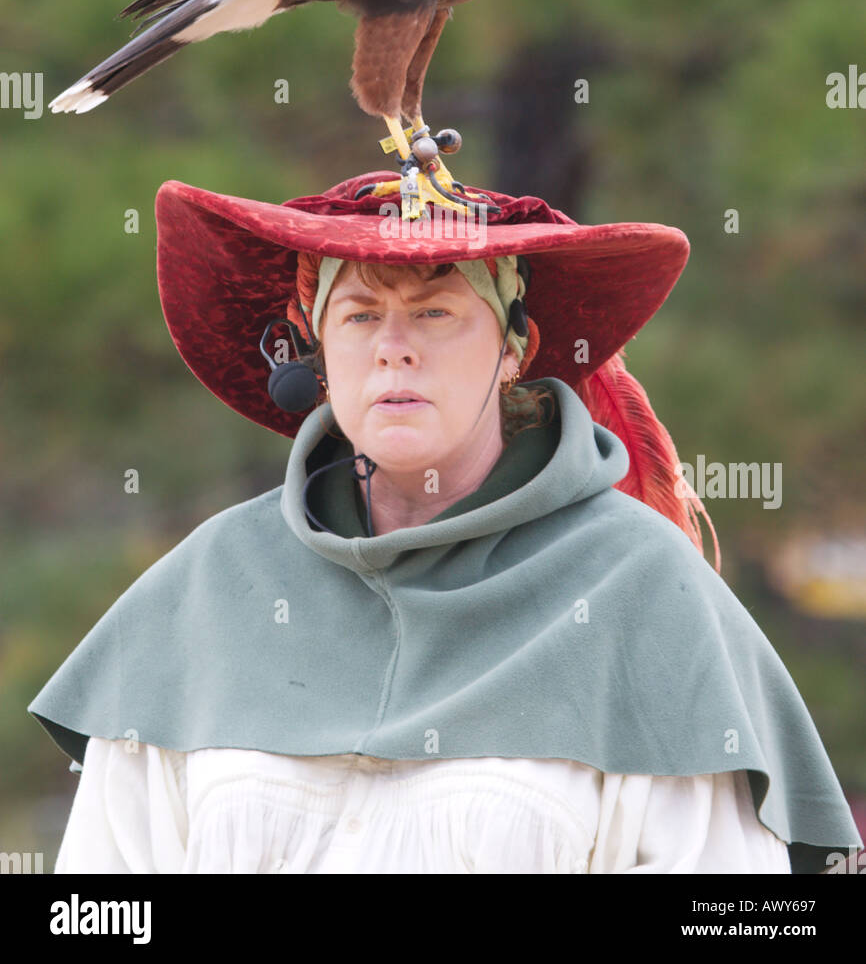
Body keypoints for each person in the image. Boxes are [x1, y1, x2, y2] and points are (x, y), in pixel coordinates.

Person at [28, 170, 862, 874]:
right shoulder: (207, 590)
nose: (395, 347)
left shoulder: (641, 591)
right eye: (359, 316)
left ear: (513, 350)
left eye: (435, 312)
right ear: (314, 351)